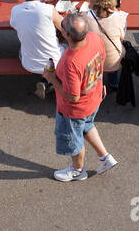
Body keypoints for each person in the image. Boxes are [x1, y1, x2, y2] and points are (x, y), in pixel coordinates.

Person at [45, 12, 118, 181]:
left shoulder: (70, 61)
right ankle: (105, 157)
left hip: (75, 110)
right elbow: (101, 61)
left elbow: (73, 97)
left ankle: (78, 171)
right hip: (95, 97)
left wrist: (51, 79)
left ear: (67, 35)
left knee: (74, 141)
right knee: (87, 126)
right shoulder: (94, 37)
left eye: (62, 28)